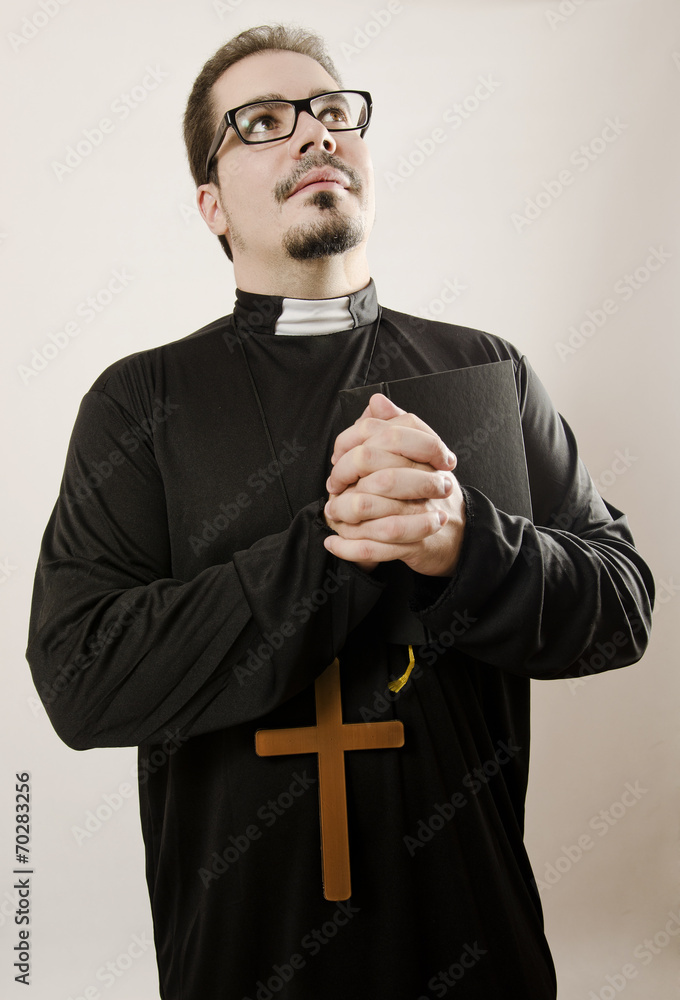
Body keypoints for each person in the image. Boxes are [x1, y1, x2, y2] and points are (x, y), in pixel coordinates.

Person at [26, 24, 654, 1000]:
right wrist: (328, 554)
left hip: (474, 949)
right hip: (240, 959)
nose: (312, 134)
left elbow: (620, 609)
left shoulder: (481, 369)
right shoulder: (140, 402)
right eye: (263, 123)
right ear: (210, 204)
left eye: (330, 112)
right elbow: (79, 675)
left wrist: (467, 546)